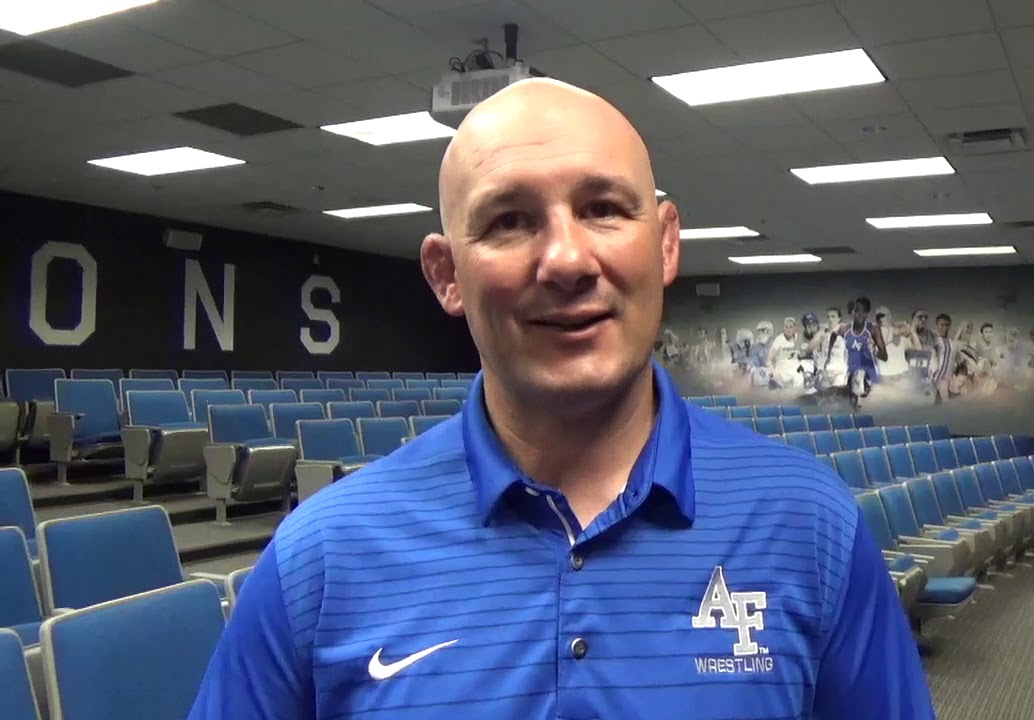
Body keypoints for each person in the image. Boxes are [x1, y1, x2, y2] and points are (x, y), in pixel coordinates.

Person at [185, 78, 933, 719]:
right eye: (509, 221)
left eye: (604, 207)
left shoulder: (811, 526)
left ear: (666, 243)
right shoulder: (322, 557)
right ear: (447, 275)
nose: (568, 259)